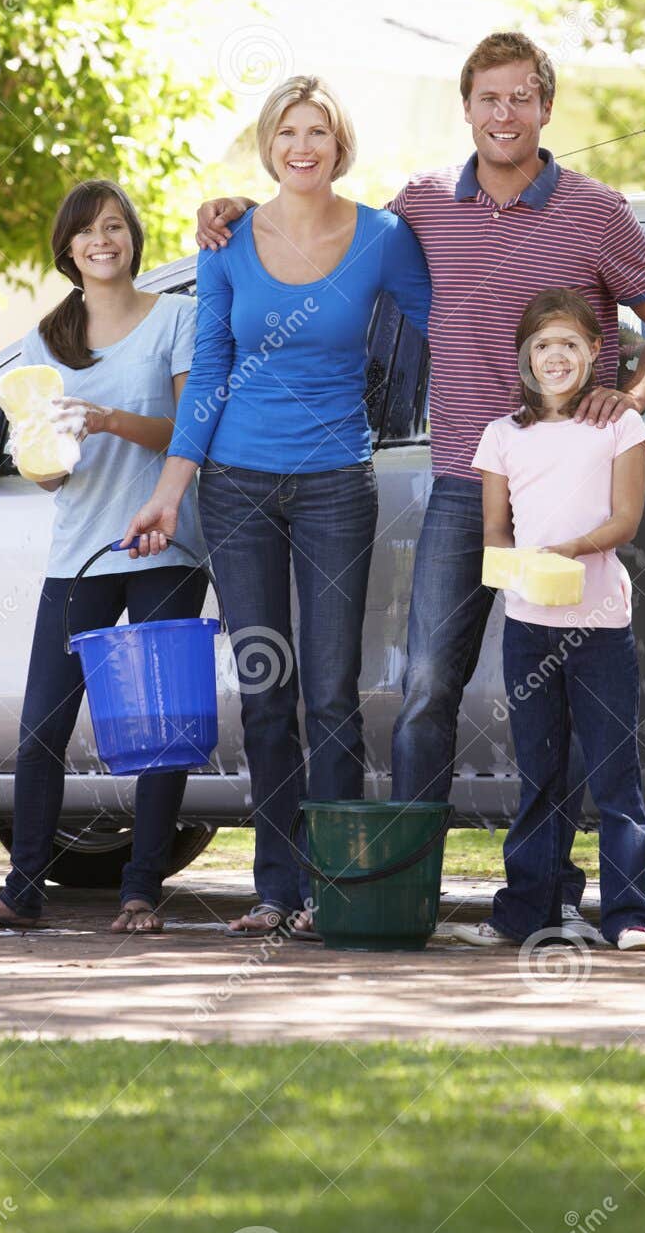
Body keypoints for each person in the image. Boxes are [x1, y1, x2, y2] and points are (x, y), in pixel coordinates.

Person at [194, 32, 645, 930]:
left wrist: (630, 396)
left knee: (577, 706)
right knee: (427, 689)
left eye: (521, 98)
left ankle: (570, 893)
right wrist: (234, 207)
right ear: (466, 107)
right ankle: (401, 892)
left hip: (570, 501)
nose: (504, 114)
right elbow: (323, 225)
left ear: (545, 106)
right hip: (466, 487)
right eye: (488, 99)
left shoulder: (596, 209)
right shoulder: (422, 204)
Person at [122, 76, 431, 936]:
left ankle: (335, 886)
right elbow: (210, 370)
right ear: (268, 144)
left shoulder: (382, 237)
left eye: (318, 132)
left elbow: (451, 325)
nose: (303, 146)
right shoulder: (226, 241)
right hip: (235, 490)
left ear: (340, 145)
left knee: (329, 691)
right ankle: (276, 888)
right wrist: (169, 489)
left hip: (337, 483)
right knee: (266, 688)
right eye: (288, 132)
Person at [0, 181, 208, 935]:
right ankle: (22, 890)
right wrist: (50, 455)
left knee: (160, 728)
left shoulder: (177, 320)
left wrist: (108, 419)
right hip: (79, 552)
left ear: (133, 240)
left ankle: (140, 892)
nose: (104, 240)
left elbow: (187, 433)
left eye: (116, 227)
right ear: (67, 247)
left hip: (166, 545)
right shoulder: (46, 340)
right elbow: (44, 466)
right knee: (41, 728)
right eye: (88, 231)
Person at [459, 287, 645, 951]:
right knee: (540, 775)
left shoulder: (618, 426)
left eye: (570, 345)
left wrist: (572, 549)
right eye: (543, 345)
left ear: (592, 353)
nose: (556, 357)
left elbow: (624, 520)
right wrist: (513, 565)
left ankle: (631, 916)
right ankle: (527, 911)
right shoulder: (502, 436)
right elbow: (494, 532)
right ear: (525, 355)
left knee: (614, 776)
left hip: (600, 627)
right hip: (528, 630)